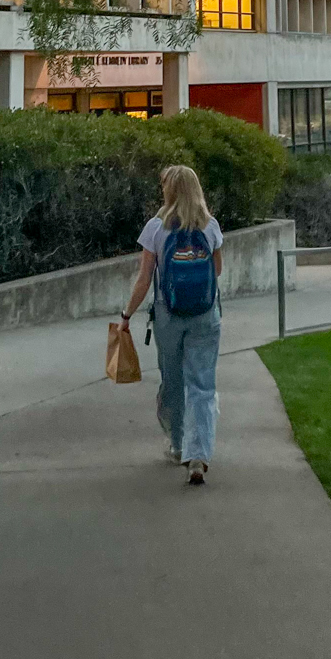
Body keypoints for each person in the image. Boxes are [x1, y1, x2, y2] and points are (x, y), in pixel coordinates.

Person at [118, 164, 223, 486]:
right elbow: (216, 272)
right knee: (202, 386)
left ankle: (178, 446)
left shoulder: (156, 228)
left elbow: (145, 279)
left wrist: (126, 316)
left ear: (169, 190)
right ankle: (199, 455)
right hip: (206, 314)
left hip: (168, 314)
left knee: (173, 382)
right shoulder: (210, 226)